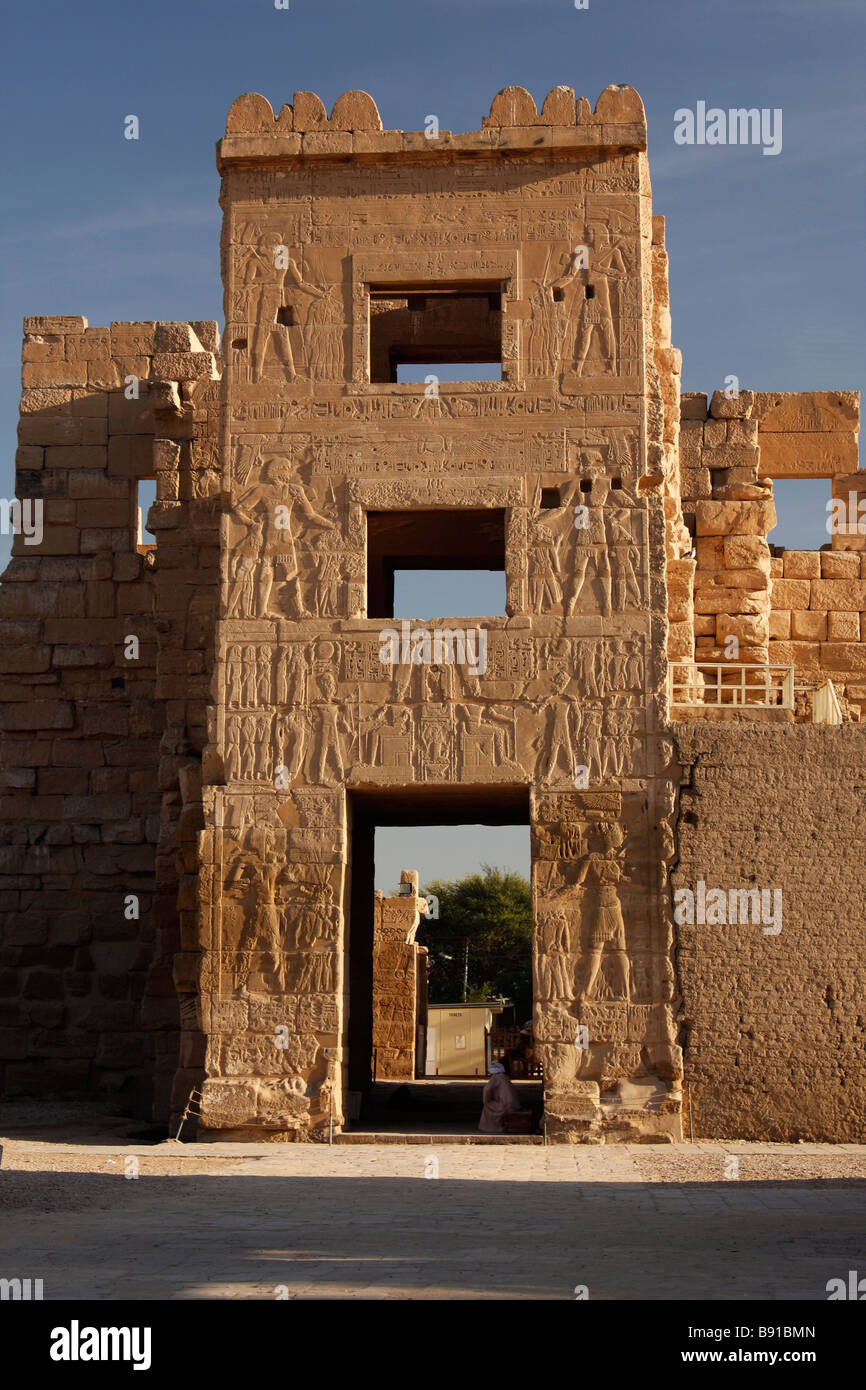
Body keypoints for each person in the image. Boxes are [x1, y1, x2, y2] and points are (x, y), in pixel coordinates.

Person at [479, 1061, 528, 1134]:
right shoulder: (505, 1077)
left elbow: (486, 1089)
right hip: (514, 1105)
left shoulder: (495, 1077)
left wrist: (486, 1100)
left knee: (487, 1106)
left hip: (505, 1106)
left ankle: (490, 1127)